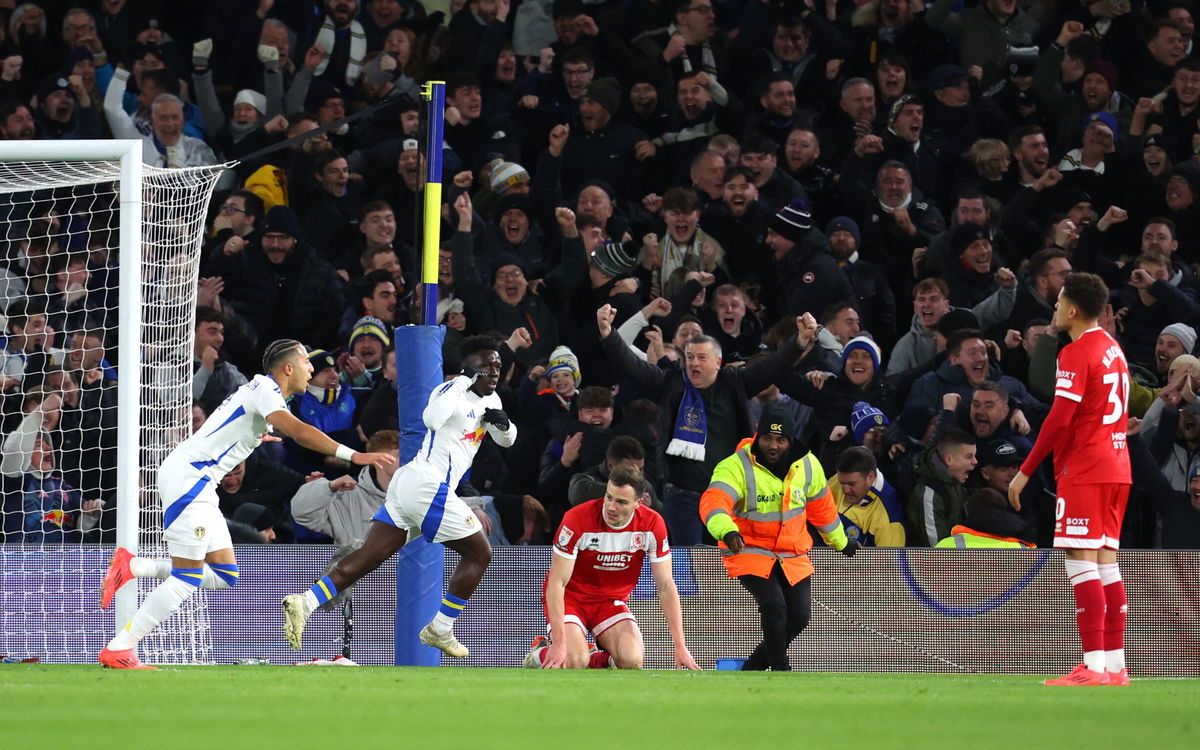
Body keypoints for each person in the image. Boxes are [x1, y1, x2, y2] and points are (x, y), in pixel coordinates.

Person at [97, 339, 397, 669]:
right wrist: (355, 455)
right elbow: (298, 431)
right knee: (186, 578)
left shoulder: (260, 393)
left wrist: (250, 437)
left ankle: (134, 567)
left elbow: (235, 428)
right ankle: (120, 647)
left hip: (199, 484)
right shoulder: (265, 392)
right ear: (287, 368)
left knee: (224, 574)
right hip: (190, 479)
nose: (311, 368)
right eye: (306, 362)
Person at [282, 336, 517, 659]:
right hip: (427, 485)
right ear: (469, 367)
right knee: (480, 554)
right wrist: (463, 381)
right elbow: (431, 420)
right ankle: (441, 627)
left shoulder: (491, 402)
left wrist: (503, 427)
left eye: (498, 366)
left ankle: (305, 602)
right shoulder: (450, 390)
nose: (494, 372)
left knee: (370, 555)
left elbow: (507, 441)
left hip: (411, 487)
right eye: (487, 366)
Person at [1009, 272, 1132, 686]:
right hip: (1117, 466)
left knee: (1079, 561)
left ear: (1074, 309)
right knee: (1106, 564)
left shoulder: (1077, 353)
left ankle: (1093, 665)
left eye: (1060, 302)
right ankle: (1115, 666)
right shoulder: (1114, 349)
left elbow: (1060, 419)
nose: (1055, 309)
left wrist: (1025, 472)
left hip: (1086, 468)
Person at [699, 404, 860, 671]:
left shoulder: (809, 466)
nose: (773, 446)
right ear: (757, 436)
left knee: (799, 616)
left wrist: (841, 542)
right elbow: (714, 501)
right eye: (767, 438)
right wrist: (726, 530)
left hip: (792, 554)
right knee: (774, 606)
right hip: (747, 549)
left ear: (791, 440)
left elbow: (823, 510)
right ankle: (781, 670)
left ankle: (752, 670)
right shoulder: (735, 466)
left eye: (780, 440)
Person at [524, 464, 700, 670]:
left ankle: (591, 656)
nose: (611, 506)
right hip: (570, 598)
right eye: (609, 497)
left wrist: (680, 646)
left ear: (638, 503)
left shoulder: (653, 525)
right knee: (573, 660)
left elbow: (666, 586)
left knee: (632, 660)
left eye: (621, 501)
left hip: (610, 602)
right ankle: (539, 652)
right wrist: (560, 644)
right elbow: (556, 582)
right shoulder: (577, 519)